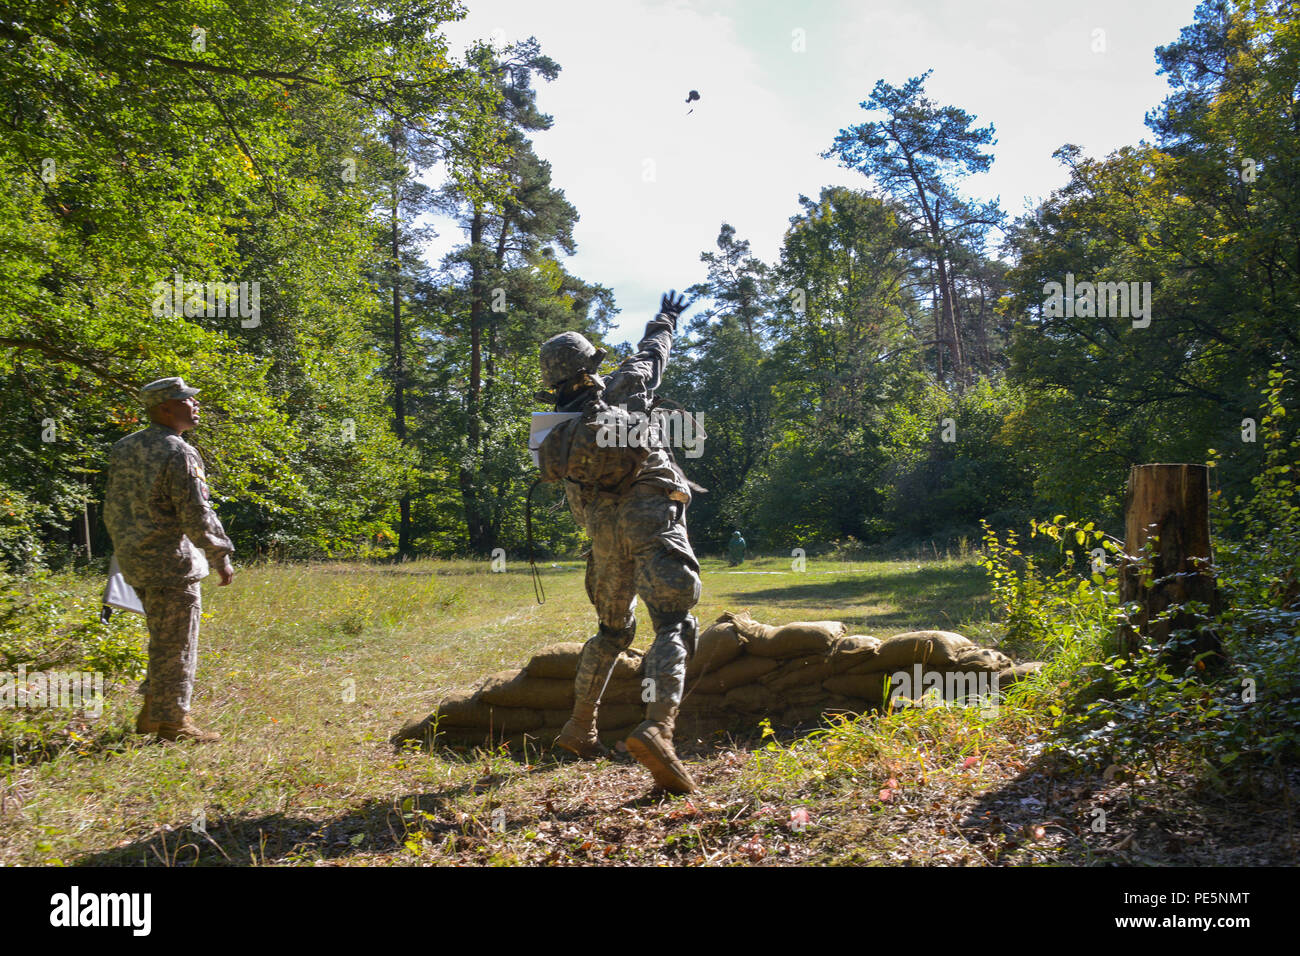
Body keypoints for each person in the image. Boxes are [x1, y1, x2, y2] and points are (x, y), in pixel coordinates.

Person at [536, 291, 701, 793]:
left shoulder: (553, 431)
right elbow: (654, 351)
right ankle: (658, 728)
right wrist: (666, 317)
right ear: (591, 363)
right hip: (650, 514)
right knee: (674, 620)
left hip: (602, 533)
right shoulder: (625, 384)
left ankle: (578, 727)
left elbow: (574, 497)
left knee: (612, 632)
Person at [103, 377, 235, 743]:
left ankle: (152, 713)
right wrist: (219, 554)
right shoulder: (177, 451)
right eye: (186, 401)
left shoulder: (124, 447)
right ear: (164, 409)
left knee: (162, 639)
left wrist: (127, 547)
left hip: (134, 559)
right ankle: (172, 724)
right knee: (177, 644)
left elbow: (113, 507)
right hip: (170, 562)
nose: (195, 406)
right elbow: (195, 510)